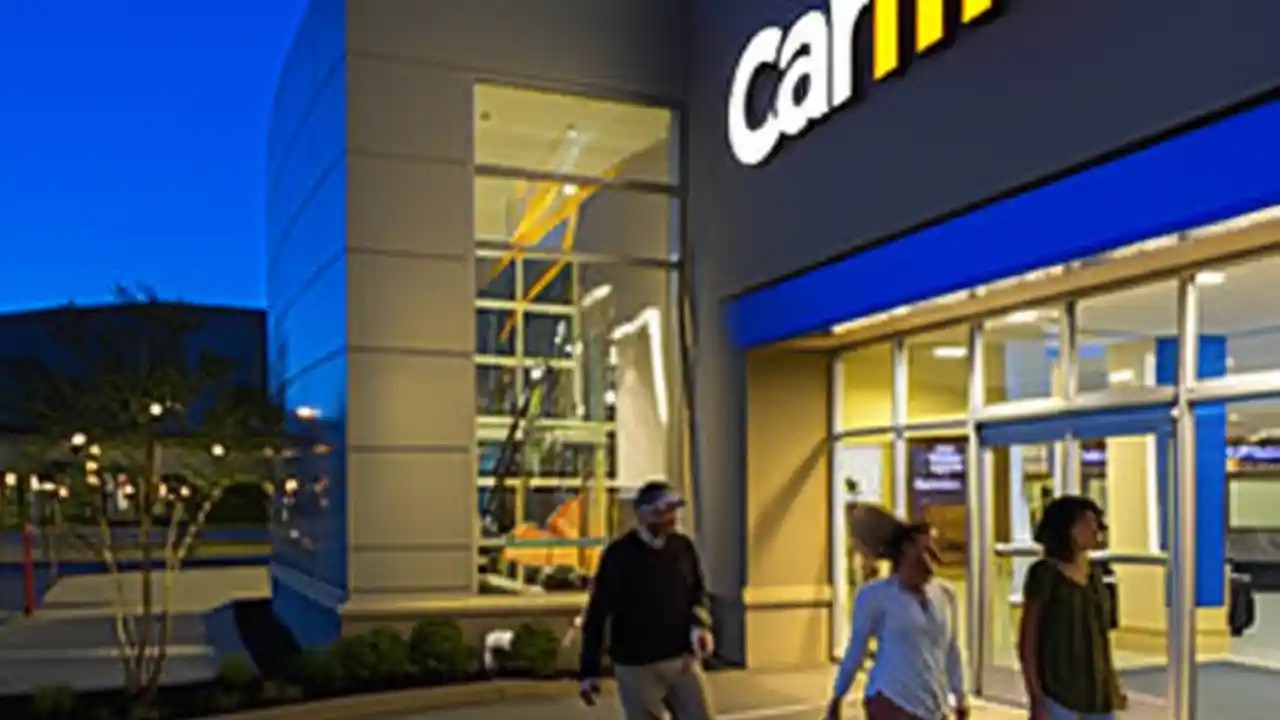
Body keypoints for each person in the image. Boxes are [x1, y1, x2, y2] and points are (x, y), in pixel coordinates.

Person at [579, 481, 715, 719]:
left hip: (681, 659)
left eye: (673, 510)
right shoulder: (619, 555)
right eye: (662, 511)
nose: (671, 518)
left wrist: (700, 625)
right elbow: (598, 612)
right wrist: (589, 671)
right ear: (642, 514)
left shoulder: (682, 548)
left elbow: (697, 592)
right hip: (637, 664)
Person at [827, 522, 968, 720]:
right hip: (892, 699)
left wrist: (960, 695)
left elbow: (951, 649)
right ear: (905, 552)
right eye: (924, 552)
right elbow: (857, 650)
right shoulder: (875, 596)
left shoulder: (946, 594)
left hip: (934, 704)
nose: (931, 561)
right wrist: (838, 695)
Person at [1019, 495, 1126, 720]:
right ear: (1066, 529)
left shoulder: (1096, 574)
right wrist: (1036, 695)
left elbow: (1101, 637)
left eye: (1095, 523)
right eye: (1086, 523)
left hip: (1097, 693)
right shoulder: (1045, 574)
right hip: (1058, 691)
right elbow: (1029, 639)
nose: (1094, 530)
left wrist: (1112, 683)